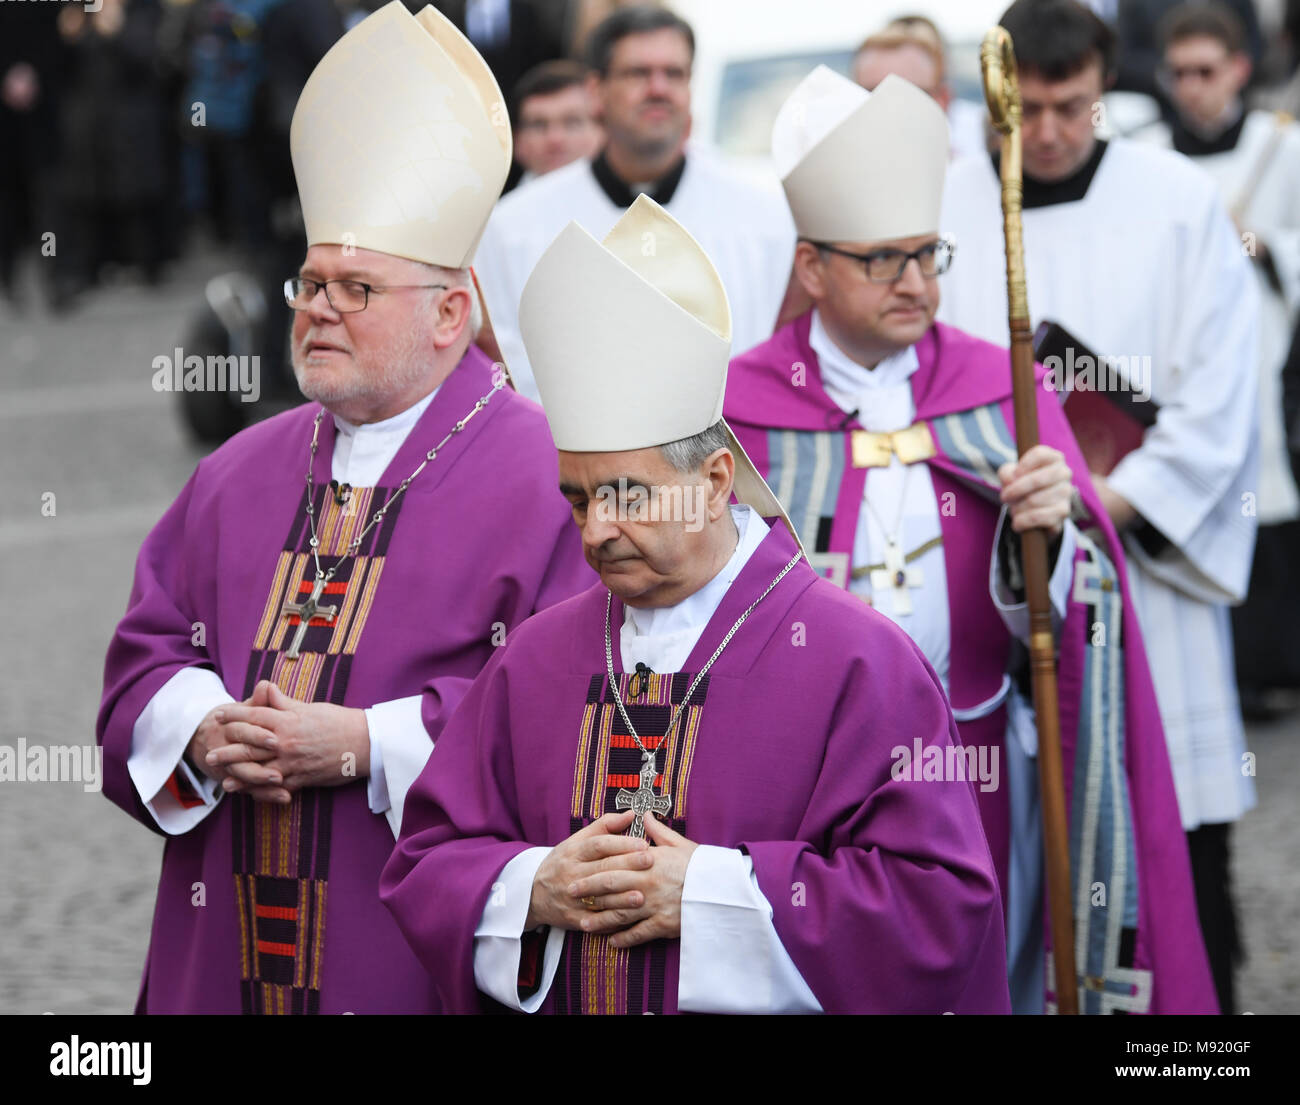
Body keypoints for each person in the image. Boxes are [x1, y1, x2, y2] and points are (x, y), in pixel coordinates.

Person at [381, 194, 1011, 1015]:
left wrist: (713, 893)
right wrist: (535, 886)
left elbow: (938, 906)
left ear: (714, 483)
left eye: (628, 495)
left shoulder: (855, 658)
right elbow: (430, 860)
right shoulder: (536, 657)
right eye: (577, 499)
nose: (597, 530)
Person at [96, 1, 591, 1015]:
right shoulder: (237, 472)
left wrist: (366, 744)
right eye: (309, 282)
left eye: (355, 289)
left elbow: (564, 712)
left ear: (450, 313)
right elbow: (145, 658)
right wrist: (203, 727)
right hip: (223, 936)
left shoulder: (554, 478)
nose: (316, 308)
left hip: (409, 941)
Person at [726, 65, 1215, 1015]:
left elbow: (1082, 595)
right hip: (816, 783)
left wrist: (1053, 528)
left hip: (980, 757)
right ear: (813, 266)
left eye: (927, 255)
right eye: (882, 260)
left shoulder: (1002, 389)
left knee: (993, 977)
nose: (914, 283)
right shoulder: (743, 408)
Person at [939, 0, 1258, 1015]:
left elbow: (1224, 386)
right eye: (1021, 111)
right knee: (1025, 835)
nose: (1044, 133)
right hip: (996, 582)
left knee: (1175, 838)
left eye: (1068, 107)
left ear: (1106, 90)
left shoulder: (1173, 198)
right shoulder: (949, 207)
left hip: (1138, 571)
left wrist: (1104, 505)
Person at [472, 4, 794, 401]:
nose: (658, 88)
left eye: (674, 73)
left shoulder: (765, 218)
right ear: (596, 91)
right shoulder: (513, 228)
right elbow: (505, 373)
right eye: (638, 73)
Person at [1132, 1, 1300, 715]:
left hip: (1263, 338)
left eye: (1205, 71)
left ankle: (1272, 666)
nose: (1191, 87)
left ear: (1239, 69)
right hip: (1183, 342)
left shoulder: (1281, 146)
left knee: (1264, 491)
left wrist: (1255, 241)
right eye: (1178, 73)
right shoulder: (1148, 154)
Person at [853, 16, 989, 159]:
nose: (886, 109)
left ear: (942, 100)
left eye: (904, 94)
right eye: (870, 94)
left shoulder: (980, 160)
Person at [510, 59, 602, 183]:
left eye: (572, 123)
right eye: (539, 125)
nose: (555, 139)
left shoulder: (634, 201)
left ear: (604, 130)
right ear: (516, 140)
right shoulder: (502, 203)